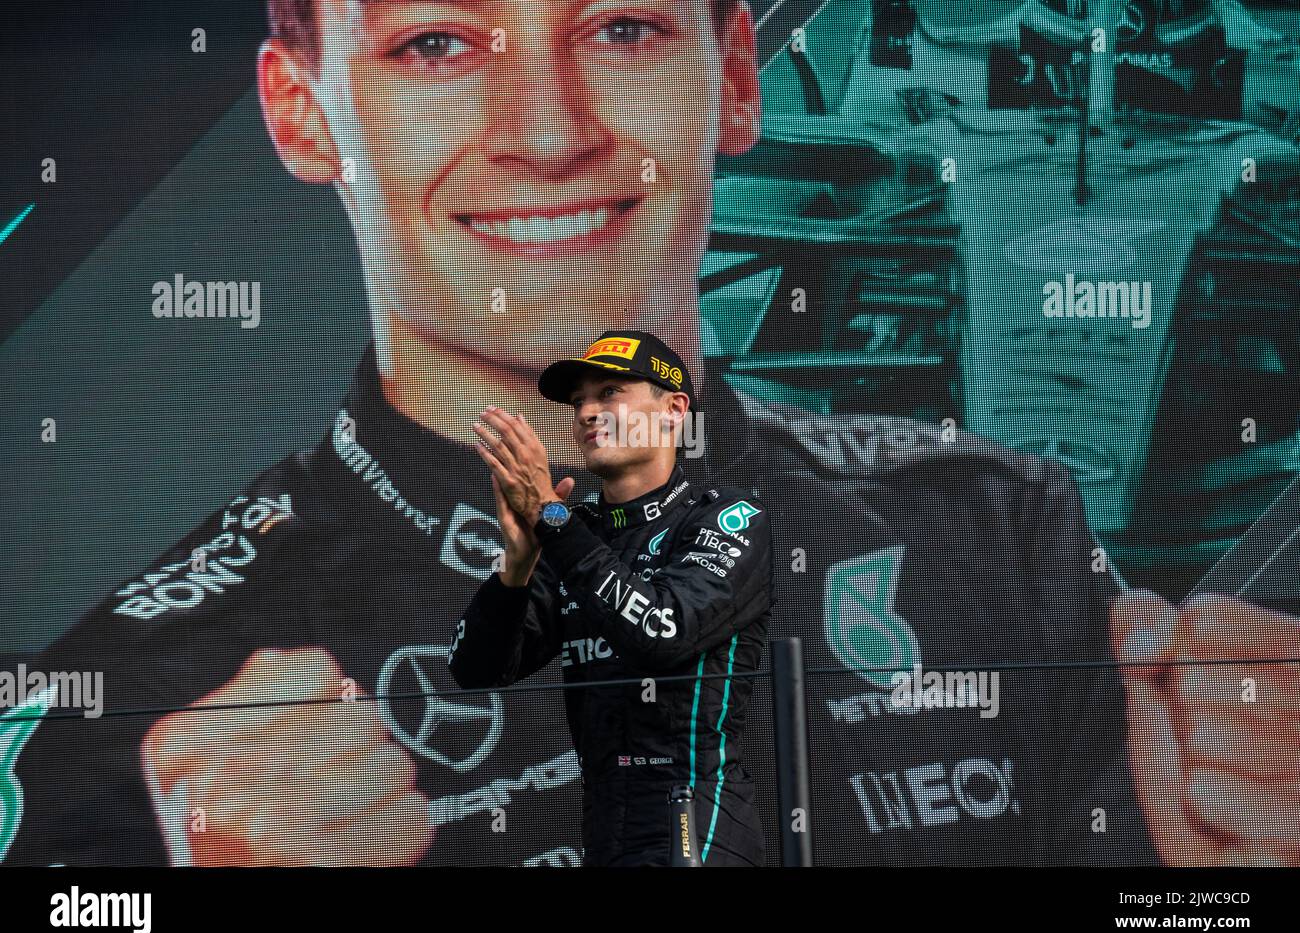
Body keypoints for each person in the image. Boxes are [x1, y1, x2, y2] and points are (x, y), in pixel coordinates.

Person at [3, 0, 1298, 866]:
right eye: (438, 47)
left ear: (733, 75)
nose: (551, 133)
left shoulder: (1001, 538)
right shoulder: (116, 718)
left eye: (620, 26)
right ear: (299, 111)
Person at [448, 330, 774, 866]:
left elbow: (664, 631)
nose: (586, 412)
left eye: (611, 393)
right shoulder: (574, 535)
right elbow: (475, 669)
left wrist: (551, 517)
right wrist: (517, 563)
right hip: (603, 824)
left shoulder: (726, 517)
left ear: (673, 410)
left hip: (696, 820)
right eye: (580, 401)